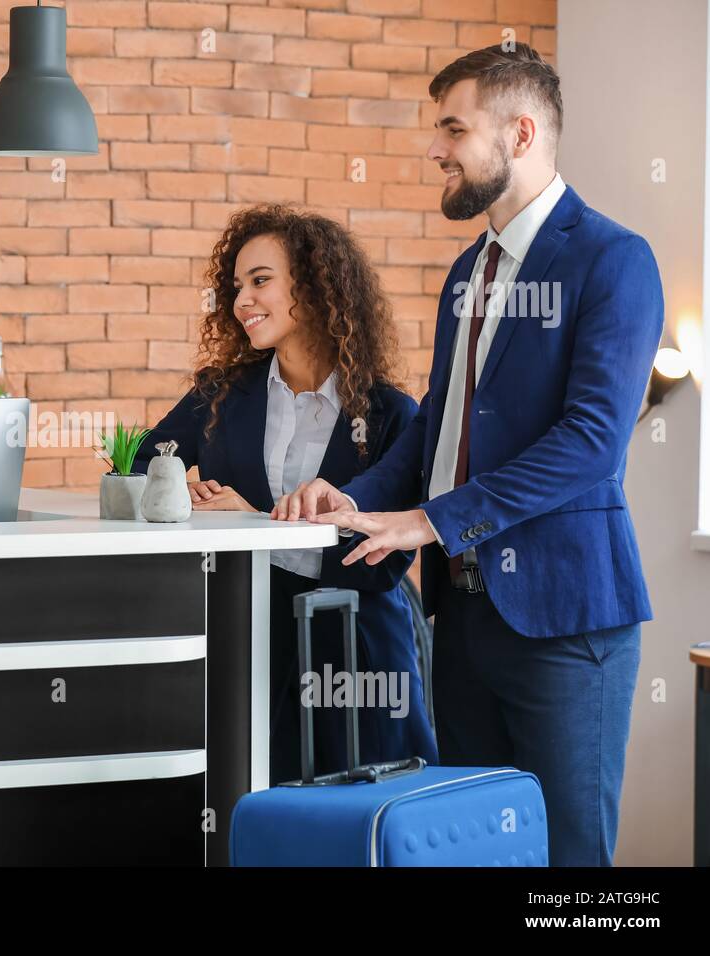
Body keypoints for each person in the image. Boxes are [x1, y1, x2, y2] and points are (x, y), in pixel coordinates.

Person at [277, 45, 663, 866]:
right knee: (475, 851)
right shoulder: (468, 274)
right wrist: (353, 497)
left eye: (454, 128)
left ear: (520, 135)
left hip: (566, 626)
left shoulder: (613, 260)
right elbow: (436, 431)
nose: (436, 150)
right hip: (461, 620)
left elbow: (592, 443)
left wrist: (432, 519)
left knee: (568, 872)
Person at [133, 203, 438, 785]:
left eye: (261, 281)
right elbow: (142, 461)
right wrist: (183, 491)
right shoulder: (221, 394)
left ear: (318, 286)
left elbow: (380, 561)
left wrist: (253, 526)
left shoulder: (392, 415)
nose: (241, 300)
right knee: (257, 819)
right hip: (251, 644)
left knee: (362, 830)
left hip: (357, 660)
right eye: (237, 286)